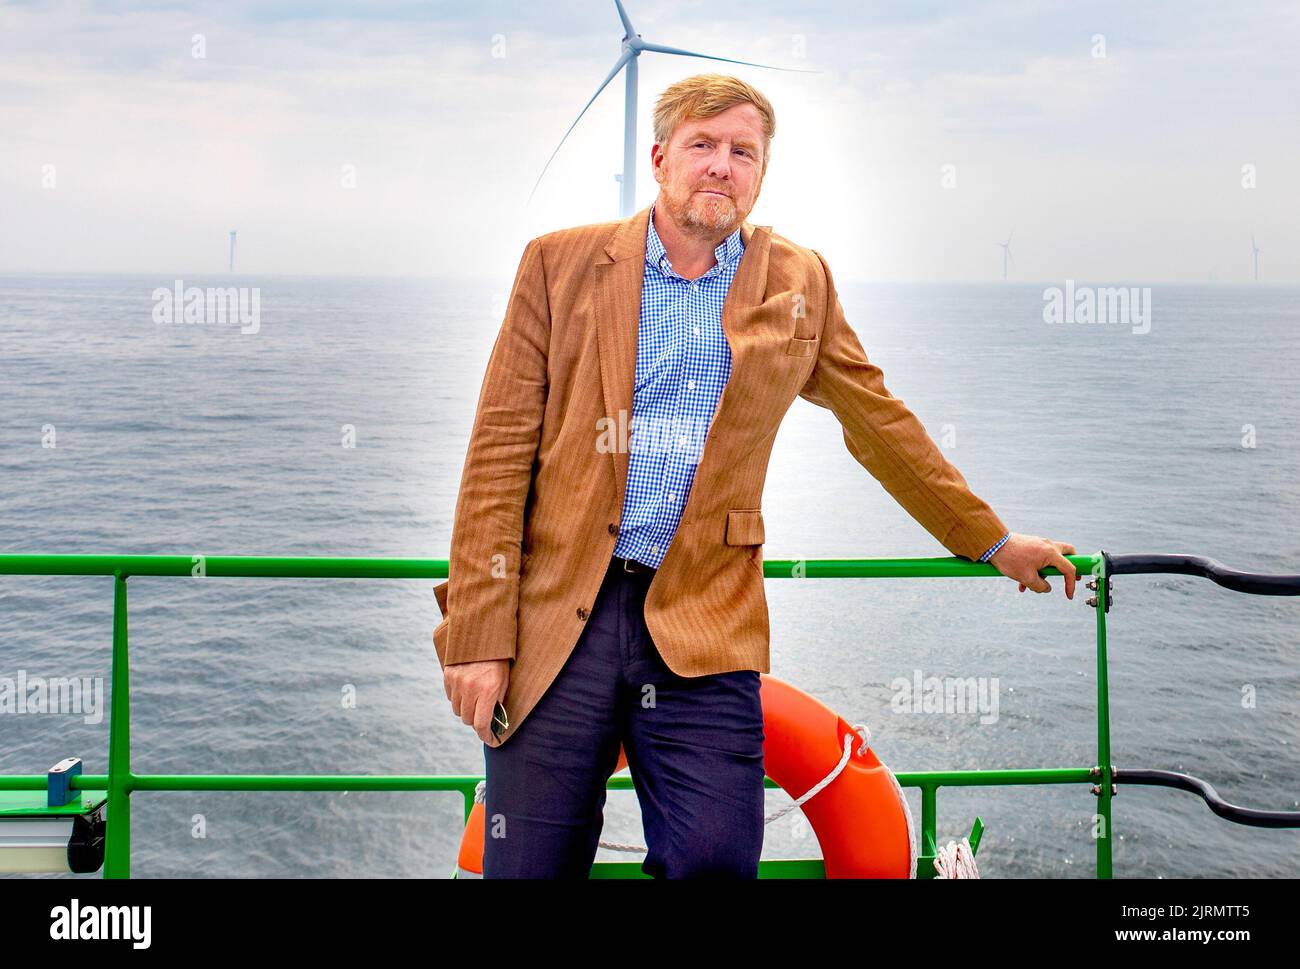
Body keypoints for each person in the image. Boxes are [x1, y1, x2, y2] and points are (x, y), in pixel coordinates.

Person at [432, 73, 1077, 878]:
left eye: (743, 152)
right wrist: (478, 638)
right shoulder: (557, 265)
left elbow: (878, 421)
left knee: (715, 858)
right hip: (560, 616)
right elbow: (496, 456)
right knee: (528, 861)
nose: (721, 166)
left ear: (761, 173)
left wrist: (993, 541)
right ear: (662, 157)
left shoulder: (798, 282)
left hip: (704, 616)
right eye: (703, 145)